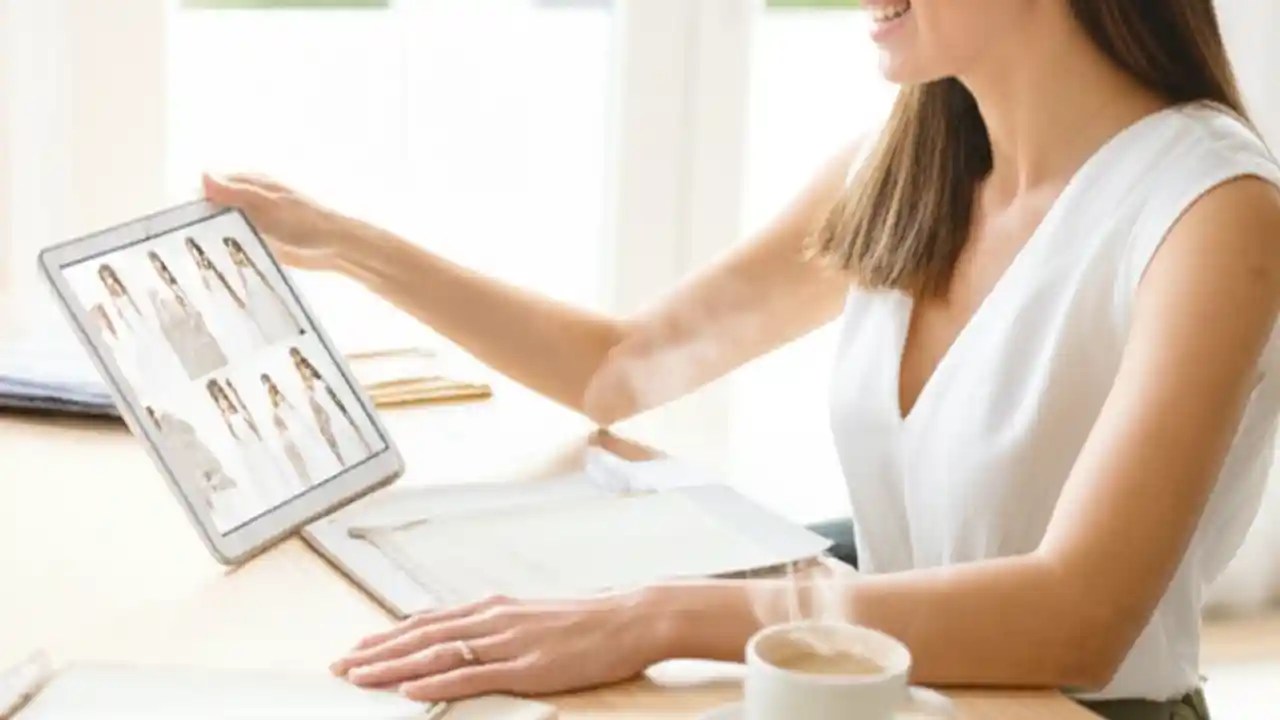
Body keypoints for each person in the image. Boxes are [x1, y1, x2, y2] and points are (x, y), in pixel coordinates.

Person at [204, 2, 1280, 717]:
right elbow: (622, 369)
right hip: (882, 696)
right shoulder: (903, 166)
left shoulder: (1211, 210)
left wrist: (663, 612)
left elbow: (1076, 622)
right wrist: (345, 244)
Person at [148, 251, 228, 378]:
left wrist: (194, 316)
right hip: (185, 334)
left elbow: (192, 304)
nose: (161, 271)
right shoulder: (158, 296)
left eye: (161, 267)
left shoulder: (177, 284)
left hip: (197, 326)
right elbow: (166, 323)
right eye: (156, 268)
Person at [289, 347, 373, 464]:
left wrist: (312, 385)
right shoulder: (300, 368)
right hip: (319, 393)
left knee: (341, 418)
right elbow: (308, 380)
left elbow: (316, 377)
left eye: (295, 355)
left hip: (323, 391)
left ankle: (361, 445)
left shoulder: (307, 364)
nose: (295, 358)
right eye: (294, 356)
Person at [186, 236, 263, 351]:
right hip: (219, 303)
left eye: (200, 255)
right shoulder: (201, 275)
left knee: (244, 324)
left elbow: (227, 285)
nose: (202, 260)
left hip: (229, 300)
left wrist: (238, 299)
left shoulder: (215, 269)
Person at [223, 236, 303, 343]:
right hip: (254, 295)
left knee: (275, 310)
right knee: (265, 316)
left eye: (234, 253)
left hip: (261, 289)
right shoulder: (238, 270)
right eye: (231, 255)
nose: (234, 257)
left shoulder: (249, 264)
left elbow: (260, 276)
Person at [261, 372, 329, 488]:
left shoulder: (281, 390)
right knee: (303, 453)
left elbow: (290, 404)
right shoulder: (271, 401)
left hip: (295, 422)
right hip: (290, 427)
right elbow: (275, 412)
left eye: (268, 381)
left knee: (309, 446)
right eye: (266, 383)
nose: (269, 385)